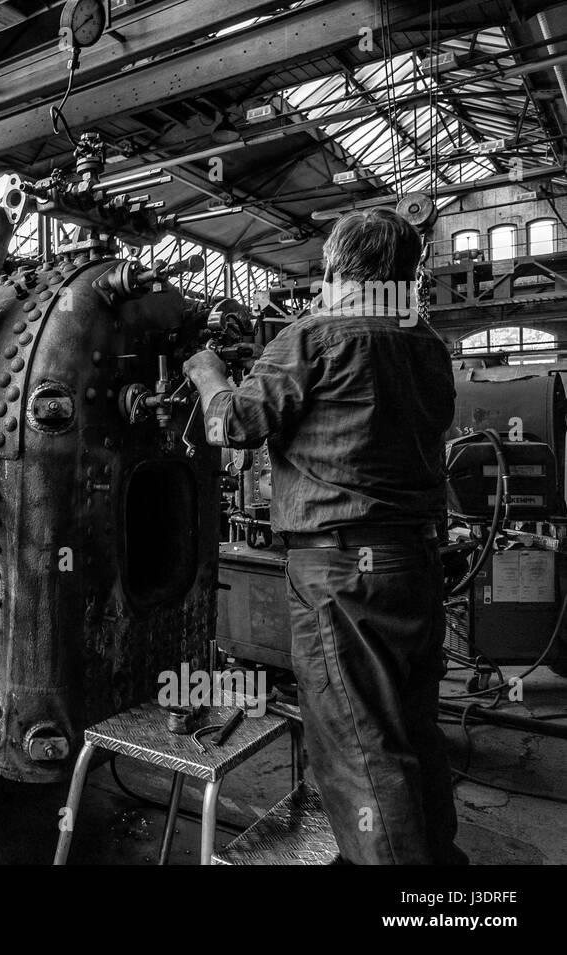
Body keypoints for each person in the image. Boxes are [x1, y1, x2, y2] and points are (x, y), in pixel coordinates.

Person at [184, 207, 464, 865]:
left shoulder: (312, 337)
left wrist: (206, 372)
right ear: (405, 273)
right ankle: (433, 858)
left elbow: (233, 425)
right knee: (409, 726)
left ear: (336, 268)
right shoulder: (425, 342)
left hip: (340, 573)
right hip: (416, 561)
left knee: (357, 736)